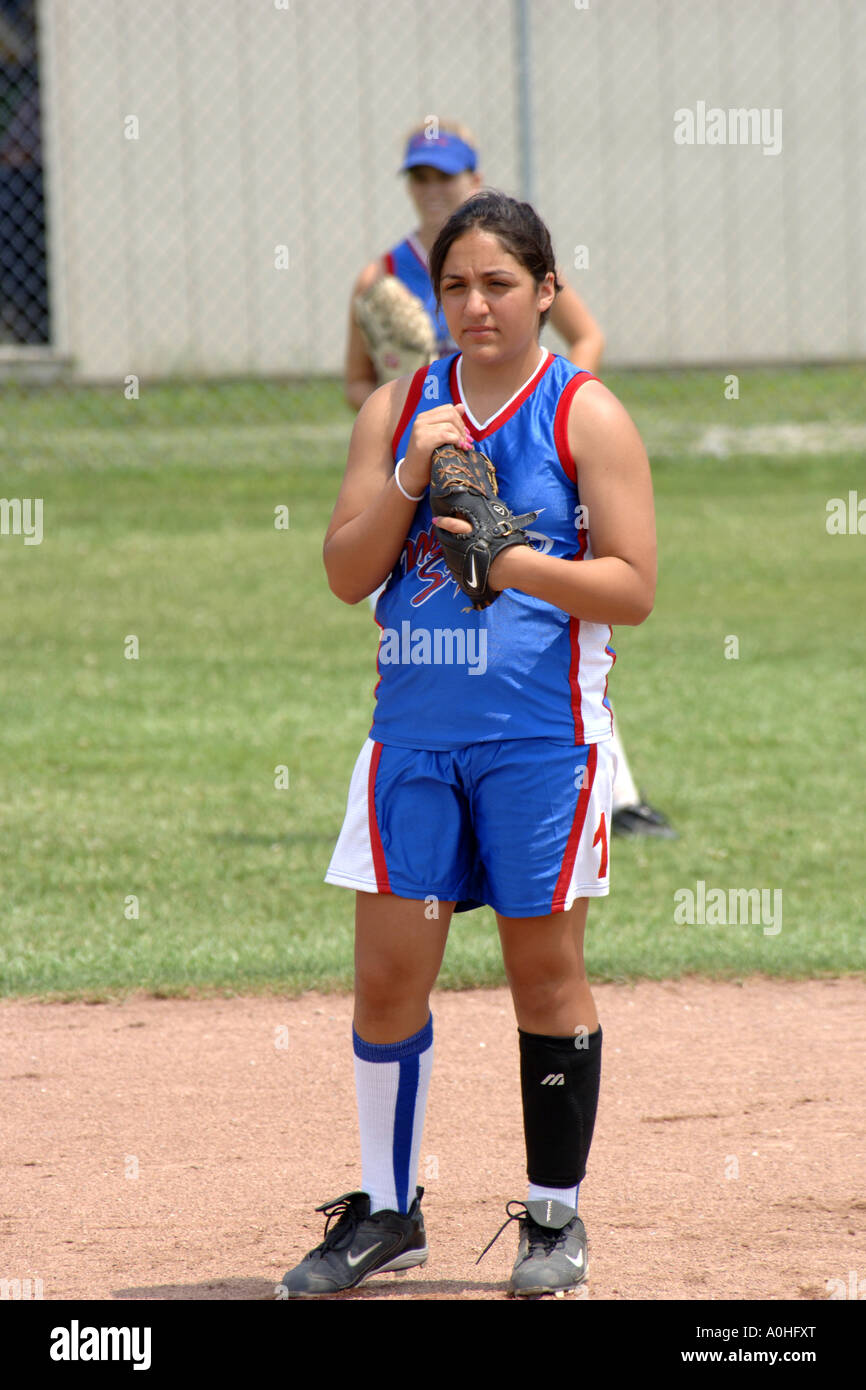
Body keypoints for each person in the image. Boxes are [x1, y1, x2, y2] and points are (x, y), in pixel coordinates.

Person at [279, 189, 656, 1299]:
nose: (475, 304)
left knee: (543, 976)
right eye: (454, 285)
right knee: (387, 980)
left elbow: (630, 588)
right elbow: (348, 574)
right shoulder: (400, 404)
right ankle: (388, 1212)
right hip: (413, 740)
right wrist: (409, 474)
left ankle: (553, 1219)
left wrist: (511, 558)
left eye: (499, 283)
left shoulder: (584, 413)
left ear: (546, 291)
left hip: (541, 739)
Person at [346, 121, 673, 838]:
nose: (435, 190)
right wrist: (404, 449)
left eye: (447, 176)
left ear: (471, 175)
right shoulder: (381, 276)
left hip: (531, 432)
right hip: (426, 450)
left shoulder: (510, 250)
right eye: (422, 178)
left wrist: (561, 406)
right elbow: (360, 381)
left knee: (535, 642)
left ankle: (616, 793)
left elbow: (583, 336)